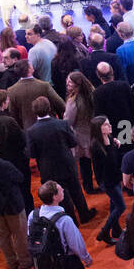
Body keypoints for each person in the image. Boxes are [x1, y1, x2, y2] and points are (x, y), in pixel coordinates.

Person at [27, 97, 95, 226]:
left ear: (34, 112)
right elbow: (73, 142)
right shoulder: (62, 124)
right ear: (49, 108)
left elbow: (32, 153)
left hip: (48, 168)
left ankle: (71, 220)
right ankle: (84, 215)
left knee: (60, 195)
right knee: (76, 189)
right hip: (67, 163)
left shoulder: (31, 131)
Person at [28, 180, 93, 269]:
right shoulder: (64, 220)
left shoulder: (33, 215)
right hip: (69, 263)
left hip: (49, 263)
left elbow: (30, 236)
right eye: (60, 189)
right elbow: (75, 243)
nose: (63, 189)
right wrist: (86, 258)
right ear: (55, 197)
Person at [0, 137, 32, 269]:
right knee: (20, 234)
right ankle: (25, 262)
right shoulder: (2, 164)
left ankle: (11, 263)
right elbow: (19, 177)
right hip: (12, 205)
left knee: (3, 236)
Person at [89, 115, 125, 246]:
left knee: (114, 205)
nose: (109, 126)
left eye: (109, 124)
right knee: (121, 206)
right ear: (99, 129)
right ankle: (104, 232)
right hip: (107, 181)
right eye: (106, 125)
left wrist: (116, 145)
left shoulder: (109, 139)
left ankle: (116, 230)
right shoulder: (96, 146)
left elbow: (114, 159)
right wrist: (113, 147)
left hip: (114, 178)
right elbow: (107, 163)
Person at [0, 90, 32, 212]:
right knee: (25, 192)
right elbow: (22, 141)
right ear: (4, 103)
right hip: (15, 163)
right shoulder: (8, 121)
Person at [7, 61, 65, 131]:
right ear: (29, 70)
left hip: (28, 129)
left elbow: (13, 114)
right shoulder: (44, 85)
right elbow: (60, 104)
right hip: (49, 126)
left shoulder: (12, 90)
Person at [92, 61, 134, 138]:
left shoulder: (97, 93)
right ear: (112, 71)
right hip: (127, 125)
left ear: (98, 75)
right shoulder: (124, 85)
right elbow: (133, 105)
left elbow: (99, 113)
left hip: (111, 129)